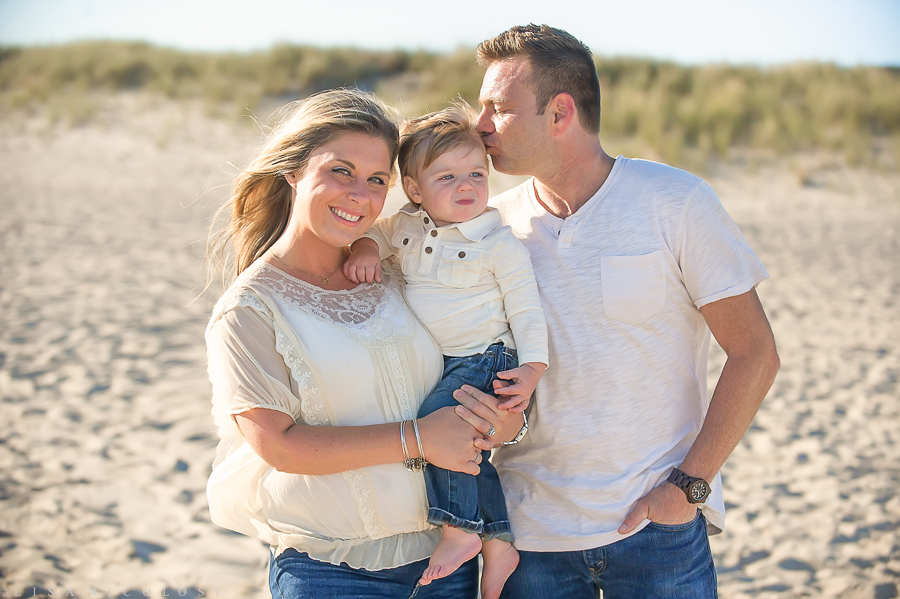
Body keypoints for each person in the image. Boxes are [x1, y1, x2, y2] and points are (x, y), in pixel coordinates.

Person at [447, 24, 781, 598]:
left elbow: (755, 353)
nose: (479, 126)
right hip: (529, 540)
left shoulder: (676, 203)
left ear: (560, 112)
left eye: (498, 108)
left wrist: (689, 487)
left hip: (656, 531)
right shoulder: (488, 227)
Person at [204, 89, 498, 599]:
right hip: (331, 572)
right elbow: (279, 445)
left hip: (446, 567)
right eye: (341, 171)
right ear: (293, 170)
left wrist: (502, 423)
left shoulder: (398, 269)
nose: (360, 195)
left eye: (377, 180)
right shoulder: (249, 309)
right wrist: (419, 438)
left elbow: (470, 360)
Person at [343, 103, 548, 599]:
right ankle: (499, 540)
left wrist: (534, 367)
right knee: (472, 447)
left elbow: (526, 309)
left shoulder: (499, 243)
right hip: (450, 362)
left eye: (476, 174)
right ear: (414, 190)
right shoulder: (408, 225)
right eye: (448, 176)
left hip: (486, 357)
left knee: (442, 427)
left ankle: (459, 530)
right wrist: (366, 250)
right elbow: (374, 233)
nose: (466, 186)